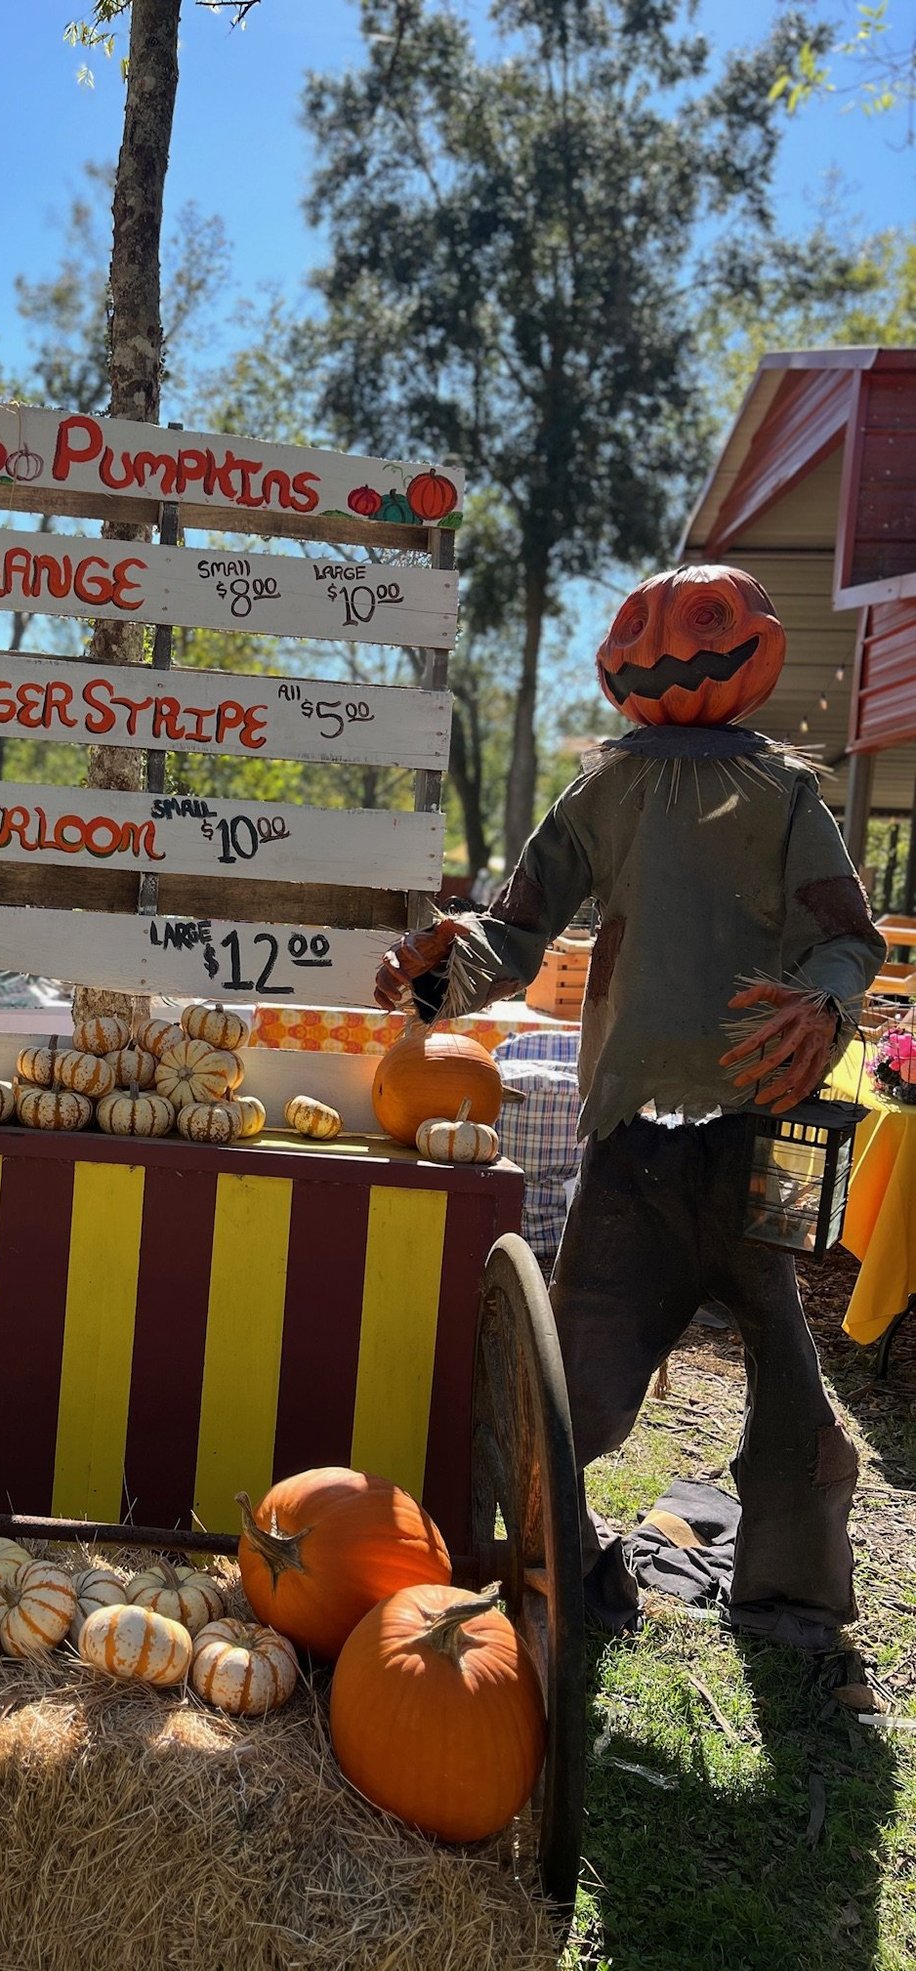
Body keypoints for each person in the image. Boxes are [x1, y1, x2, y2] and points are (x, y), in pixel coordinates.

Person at [374, 564, 886, 1652]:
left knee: (793, 1406)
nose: (671, 647)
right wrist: (435, 969)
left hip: (758, 1137)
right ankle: (569, 1563)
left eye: (702, 624)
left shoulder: (785, 796)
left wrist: (827, 999)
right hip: (632, 1141)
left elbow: (850, 935)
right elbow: (514, 932)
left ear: (749, 641)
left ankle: (792, 1606)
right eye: (644, 625)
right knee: (581, 1391)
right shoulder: (604, 790)